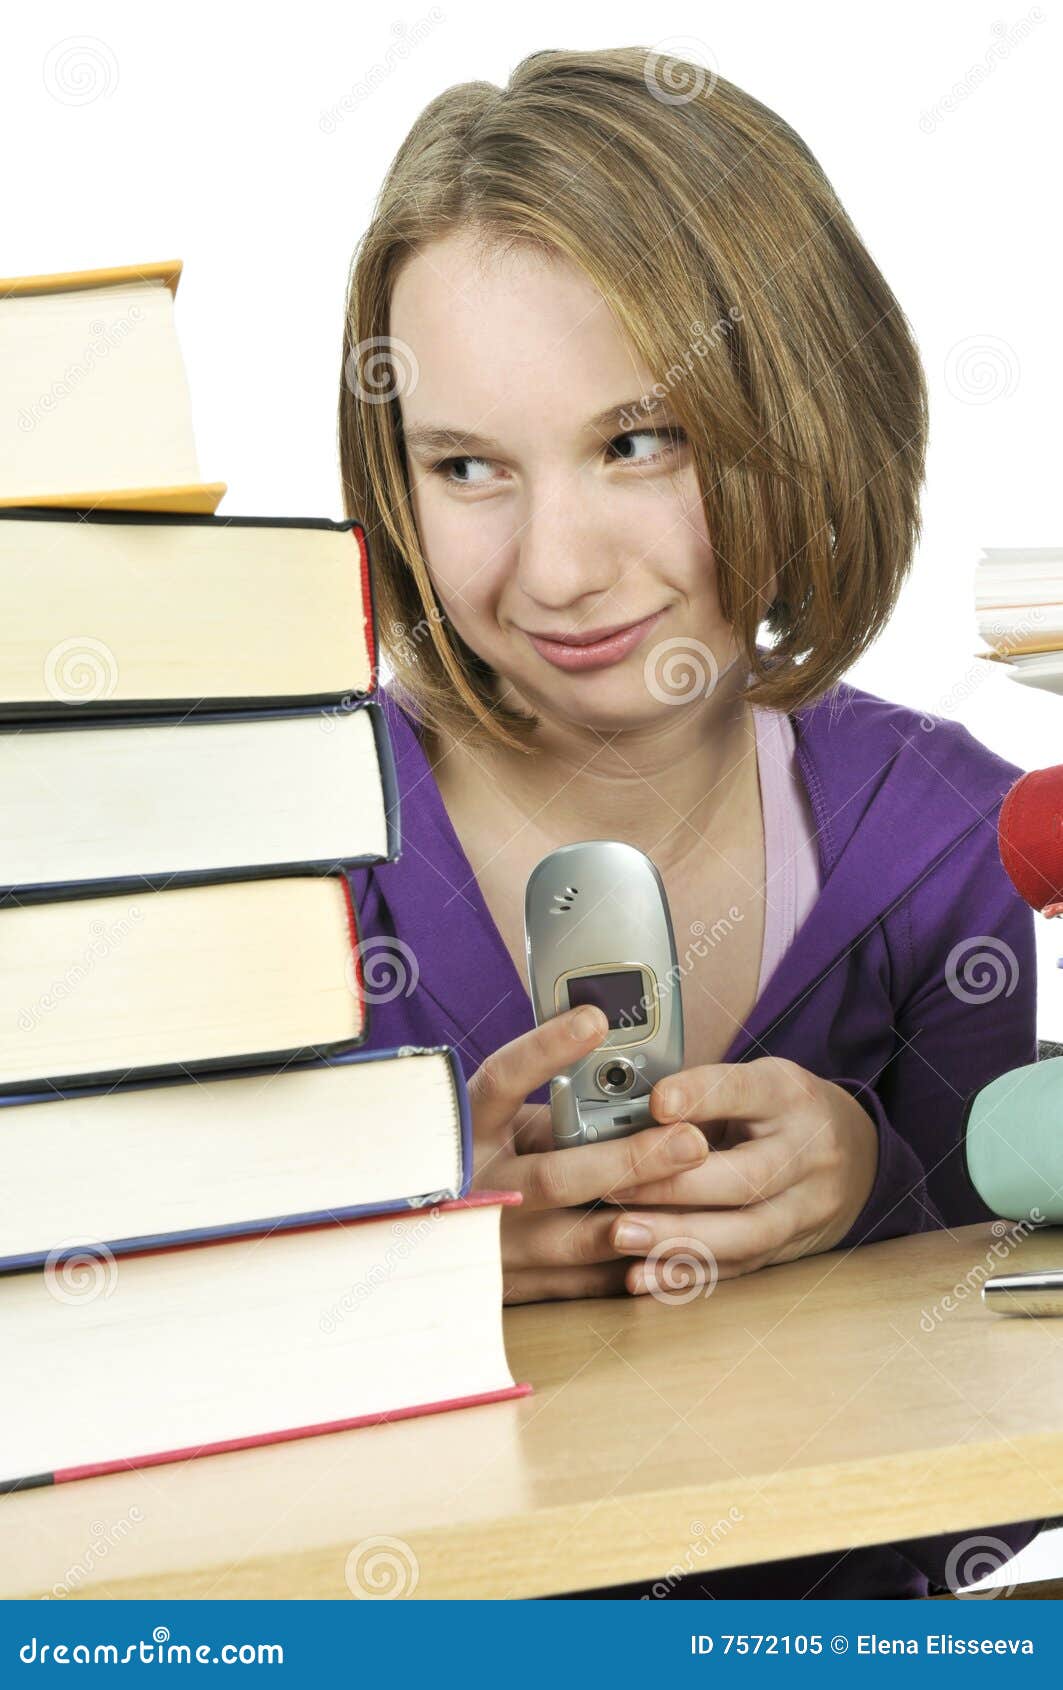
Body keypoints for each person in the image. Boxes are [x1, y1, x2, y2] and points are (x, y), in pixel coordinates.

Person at [340, 46, 1044, 1599]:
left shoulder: (946, 843)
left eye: (637, 441)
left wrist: (877, 1183)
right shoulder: (283, 854)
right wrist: (400, 1263)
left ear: (808, 415)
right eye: (468, 466)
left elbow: (988, 1455)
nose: (560, 568)